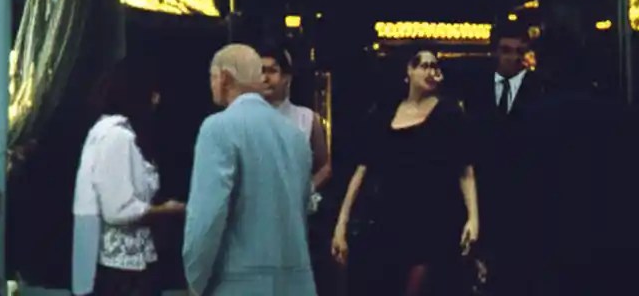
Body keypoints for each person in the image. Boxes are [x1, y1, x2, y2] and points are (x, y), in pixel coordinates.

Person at [332, 46, 480, 296]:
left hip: (434, 219)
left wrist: (473, 218)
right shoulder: (385, 114)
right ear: (408, 71)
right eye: (424, 65)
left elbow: (465, 170)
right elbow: (361, 170)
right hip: (390, 217)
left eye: (435, 67)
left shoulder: (449, 113)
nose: (431, 72)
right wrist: (341, 223)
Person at [182, 43, 317, 296]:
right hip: (298, 284)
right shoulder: (295, 135)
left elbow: (206, 217)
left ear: (224, 78)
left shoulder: (218, 128)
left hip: (238, 283)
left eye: (212, 77)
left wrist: (195, 279)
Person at [73, 59, 185, 296]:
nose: (156, 100)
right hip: (125, 271)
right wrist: (167, 210)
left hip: (119, 266)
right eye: (152, 92)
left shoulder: (103, 132)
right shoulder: (117, 138)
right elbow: (118, 210)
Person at [461, 21, 548, 296]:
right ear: (494, 53)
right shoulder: (474, 89)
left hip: (525, 199)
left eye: (519, 51)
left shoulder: (539, 90)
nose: (512, 57)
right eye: (506, 50)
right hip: (482, 194)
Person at [260, 45, 332, 197]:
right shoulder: (244, 118)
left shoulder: (306, 118)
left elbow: (325, 166)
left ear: (287, 78)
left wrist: (307, 190)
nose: (264, 78)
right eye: (261, 71)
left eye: (272, 71)